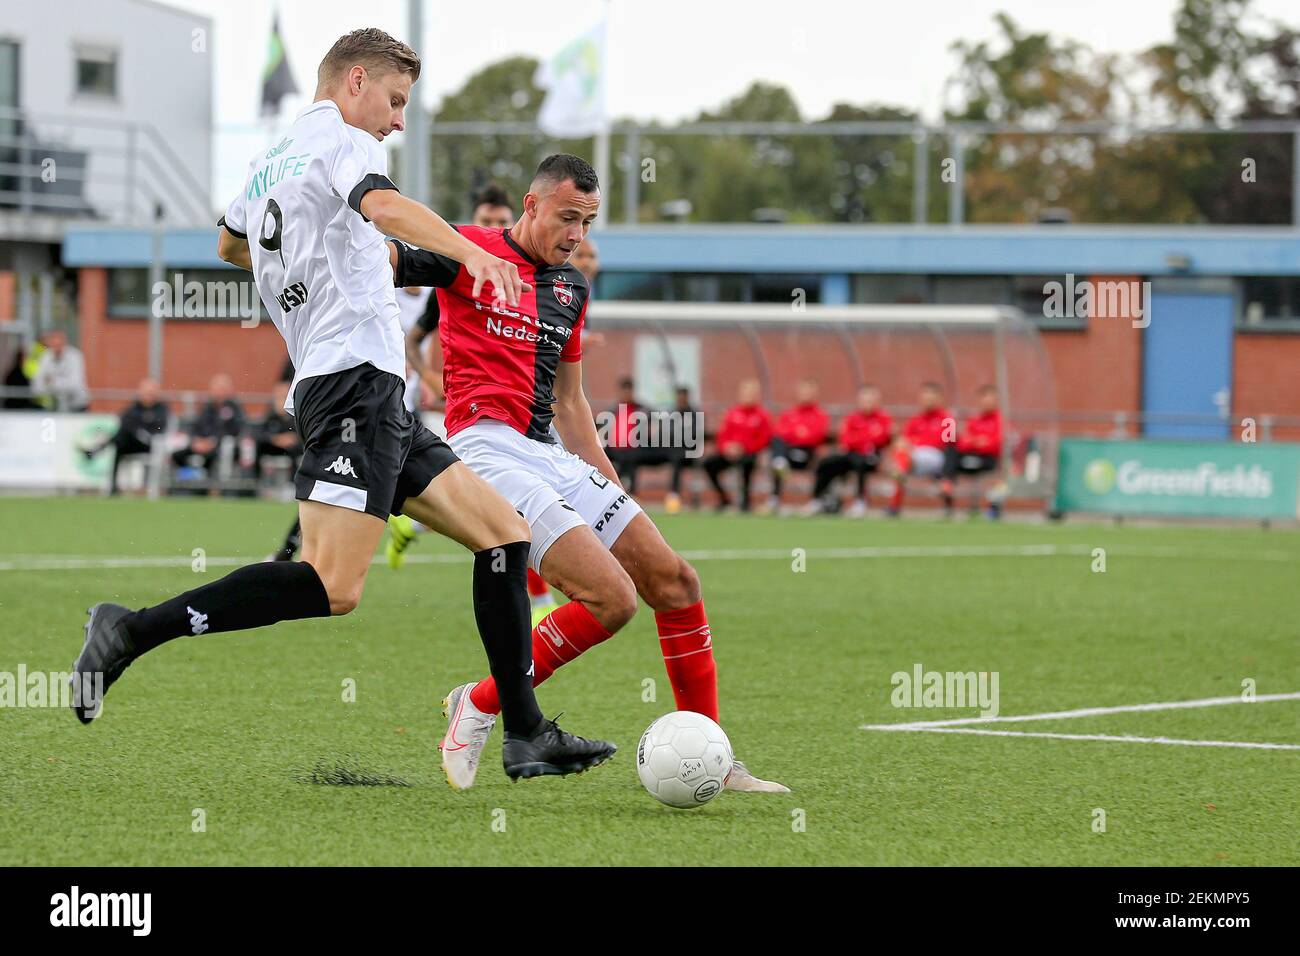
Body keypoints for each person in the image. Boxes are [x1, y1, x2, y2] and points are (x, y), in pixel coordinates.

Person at [70, 27, 614, 785]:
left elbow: (230, 245)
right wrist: (475, 252)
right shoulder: (344, 139)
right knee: (334, 585)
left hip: (370, 390)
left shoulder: (271, 161)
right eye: (394, 101)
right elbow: (382, 205)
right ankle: (129, 630)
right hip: (349, 383)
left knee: (503, 535)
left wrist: (312, 257)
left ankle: (525, 733)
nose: (396, 119)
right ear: (354, 81)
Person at [390, 154, 786, 792]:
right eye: (567, 218)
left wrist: (613, 492)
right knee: (611, 599)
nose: (576, 234)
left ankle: (712, 752)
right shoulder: (469, 251)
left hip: (548, 450)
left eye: (588, 222)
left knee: (675, 580)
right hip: (485, 448)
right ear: (532, 204)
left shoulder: (572, 289)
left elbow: (572, 403)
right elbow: (380, 262)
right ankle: (484, 703)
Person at [809, 385, 892, 516]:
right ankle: (817, 499)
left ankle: (860, 502)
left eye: (870, 400)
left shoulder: (883, 419)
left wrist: (858, 439)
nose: (867, 404)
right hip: (850, 455)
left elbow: (881, 439)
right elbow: (845, 439)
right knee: (826, 463)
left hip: (871, 457)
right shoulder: (852, 418)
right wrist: (865, 439)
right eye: (864, 400)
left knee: (860, 462)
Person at [83, 377, 170, 495]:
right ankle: (113, 487)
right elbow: (123, 420)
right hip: (131, 442)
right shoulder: (134, 407)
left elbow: (160, 428)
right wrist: (139, 427)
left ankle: (98, 449)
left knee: (123, 434)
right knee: (120, 443)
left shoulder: (161, 409)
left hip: (149, 445)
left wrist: (143, 428)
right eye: (145, 393)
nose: (147, 396)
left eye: (150, 393)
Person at [702, 379, 772, 513]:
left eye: (752, 394)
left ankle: (745, 502)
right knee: (709, 464)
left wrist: (744, 447)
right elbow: (722, 435)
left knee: (748, 463)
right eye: (746, 393)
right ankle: (724, 499)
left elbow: (764, 439)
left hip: (749, 453)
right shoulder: (732, 413)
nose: (749, 397)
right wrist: (727, 447)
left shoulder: (762, 416)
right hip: (729, 452)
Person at [886, 382, 956, 517]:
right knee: (900, 451)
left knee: (901, 462)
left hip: (936, 456)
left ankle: (899, 473)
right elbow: (904, 440)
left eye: (931, 397)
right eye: (925, 397)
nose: (927, 401)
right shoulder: (915, 420)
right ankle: (895, 506)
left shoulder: (947, 419)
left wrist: (947, 476)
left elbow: (950, 446)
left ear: (939, 399)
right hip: (915, 457)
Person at [767, 379, 829, 511]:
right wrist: (799, 433)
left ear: (814, 394)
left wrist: (794, 435)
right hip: (788, 451)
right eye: (803, 391)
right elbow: (779, 431)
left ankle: (780, 461)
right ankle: (775, 498)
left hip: (805, 454)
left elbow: (816, 437)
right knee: (777, 444)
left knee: (779, 455)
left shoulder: (819, 415)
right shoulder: (790, 413)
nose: (805, 395)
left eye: (809, 392)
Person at [171, 373, 246, 481]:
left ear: (229, 390)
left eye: (222, 389)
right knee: (177, 456)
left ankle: (210, 487)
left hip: (220, 447)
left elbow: (236, 430)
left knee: (212, 459)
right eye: (216, 389)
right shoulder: (206, 408)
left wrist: (213, 441)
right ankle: (188, 482)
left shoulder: (235, 409)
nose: (218, 392)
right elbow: (194, 426)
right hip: (201, 444)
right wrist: (195, 440)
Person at [949, 384, 1006, 519]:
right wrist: (978, 441)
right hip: (971, 457)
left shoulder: (1000, 420)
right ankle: (947, 498)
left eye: (991, 398)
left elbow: (996, 444)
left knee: (1000, 477)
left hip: (989, 460)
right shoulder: (974, 420)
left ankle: (994, 508)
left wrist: (978, 442)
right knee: (950, 452)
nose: (988, 402)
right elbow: (963, 443)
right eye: (985, 398)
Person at [253, 380, 302, 483]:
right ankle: (255, 482)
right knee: (257, 446)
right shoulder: (271, 415)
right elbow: (260, 434)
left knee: (294, 448)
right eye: (278, 397)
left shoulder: (296, 413)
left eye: (283, 396)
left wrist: (290, 438)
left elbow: (301, 433)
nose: (280, 400)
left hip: (291, 448)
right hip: (273, 446)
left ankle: (292, 483)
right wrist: (275, 439)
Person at [32, 330, 89, 411]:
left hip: (77, 406)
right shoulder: (46, 356)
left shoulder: (75, 356)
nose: (57, 348)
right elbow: (37, 386)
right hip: (54, 407)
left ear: (65, 343)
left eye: (59, 345)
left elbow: (75, 385)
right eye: (54, 345)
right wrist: (63, 383)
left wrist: (52, 382)